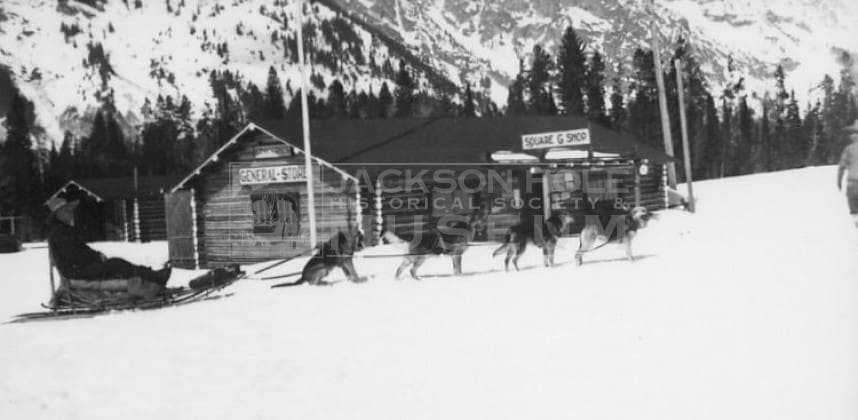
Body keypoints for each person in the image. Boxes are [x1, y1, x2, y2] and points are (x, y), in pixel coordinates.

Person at [46, 198, 171, 287]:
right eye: (67, 211)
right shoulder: (59, 233)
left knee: (117, 263)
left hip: (79, 268)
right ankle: (153, 278)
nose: (71, 214)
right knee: (116, 265)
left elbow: (81, 249)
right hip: (75, 272)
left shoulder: (64, 230)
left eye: (70, 211)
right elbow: (74, 255)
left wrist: (97, 255)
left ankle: (151, 277)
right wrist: (96, 258)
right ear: (58, 214)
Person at [837, 120, 858, 217]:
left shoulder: (849, 149)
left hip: (853, 183)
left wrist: (839, 181)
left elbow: (841, 167)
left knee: (854, 210)